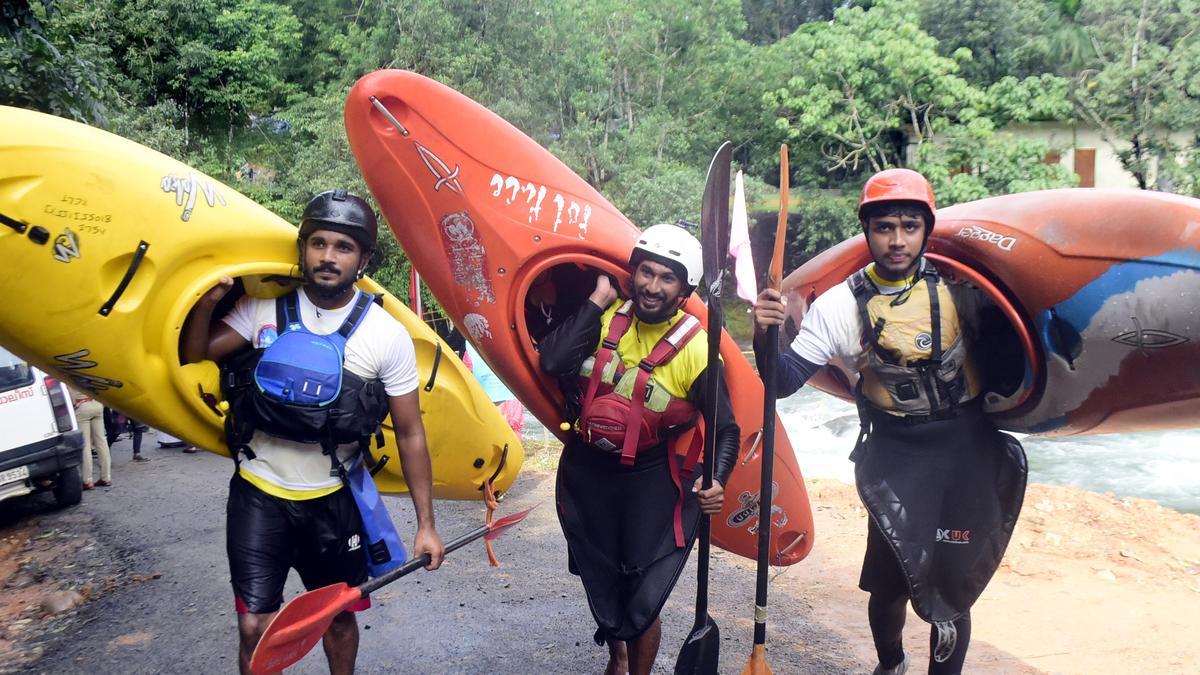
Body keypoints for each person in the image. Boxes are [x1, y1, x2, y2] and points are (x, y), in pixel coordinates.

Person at [752, 169, 1027, 674]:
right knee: (888, 582)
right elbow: (783, 381)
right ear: (866, 231)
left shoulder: (962, 290)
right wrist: (764, 335)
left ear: (926, 229)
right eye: (884, 227)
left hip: (966, 451)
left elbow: (1018, 351)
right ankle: (891, 664)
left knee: (953, 586)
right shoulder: (840, 305)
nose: (897, 239)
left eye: (908, 225)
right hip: (897, 455)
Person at [182, 189, 445, 675]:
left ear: (363, 258)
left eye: (343, 247)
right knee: (255, 627)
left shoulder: (385, 335)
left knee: (338, 620)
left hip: (333, 500)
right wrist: (210, 301)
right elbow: (198, 351)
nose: (328, 257)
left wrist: (426, 525)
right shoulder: (262, 311)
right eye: (318, 243)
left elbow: (410, 433)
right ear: (302, 248)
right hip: (259, 494)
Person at [538, 223, 740, 675]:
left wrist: (717, 478)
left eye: (667, 278)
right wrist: (596, 300)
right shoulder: (607, 319)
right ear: (632, 273)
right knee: (604, 581)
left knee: (641, 595)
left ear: (685, 288)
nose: (652, 287)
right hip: (589, 472)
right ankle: (618, 659)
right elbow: (552, 362)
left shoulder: (697, 349)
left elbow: (726, 428)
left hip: (651, 480)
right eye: (646, 273)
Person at [70, 387, 111, 489]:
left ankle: (87, 480)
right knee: (101, 441)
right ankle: (106, 477)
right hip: (97, 404)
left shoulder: (68, 372)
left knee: (85, 444)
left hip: (82, 405)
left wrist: (74, 405)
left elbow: (71, 393)